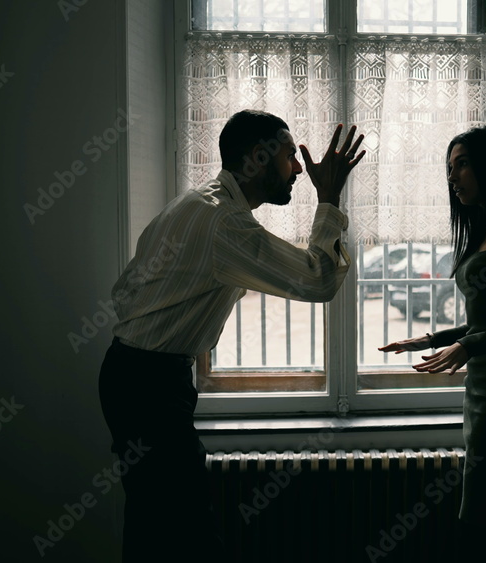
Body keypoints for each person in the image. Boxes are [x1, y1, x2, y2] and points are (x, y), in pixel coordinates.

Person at [98, 110, 365, 561]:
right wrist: (330, 197)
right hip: (150, 388)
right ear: (256, 158)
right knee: (188, 533)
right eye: (287, 154)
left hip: (135, 377)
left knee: (154, 526)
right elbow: (317, 280)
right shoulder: (225, 223)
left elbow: (123, 293)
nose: (299, 167)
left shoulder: (194, 204)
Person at [379, 125, 486, 562]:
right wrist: (433, 338)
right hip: (483, 387)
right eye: (449, 167)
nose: (452, 177)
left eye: (462, 165)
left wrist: (469, 347)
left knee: (478, 517)